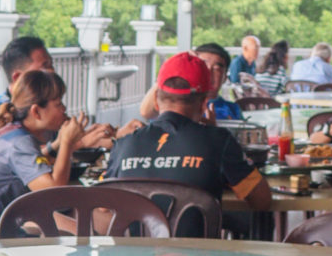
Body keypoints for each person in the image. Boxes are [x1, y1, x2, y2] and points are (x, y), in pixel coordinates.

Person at [0, 68, 114, 240]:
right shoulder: (21, 143)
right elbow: (55, 195)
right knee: (86, 235)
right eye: (58, 103)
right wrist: (67, 144)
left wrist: (58, 145)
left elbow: (30, 162)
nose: (64, 108)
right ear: (36, 111)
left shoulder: (10, 131)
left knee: (76, 229)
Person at [106, 51, 273, 208]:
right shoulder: (220, 142)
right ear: (204, 105)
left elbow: (103, 209)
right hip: (199, 232)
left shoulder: (122, 145)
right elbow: (262, 200)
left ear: (156, 101)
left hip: (134, 231)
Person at [0, 33, 50, 145]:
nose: (52, 72)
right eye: (45, 67)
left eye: (51, 65)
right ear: (18, 77)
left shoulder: (36, 105)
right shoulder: (2, 111)